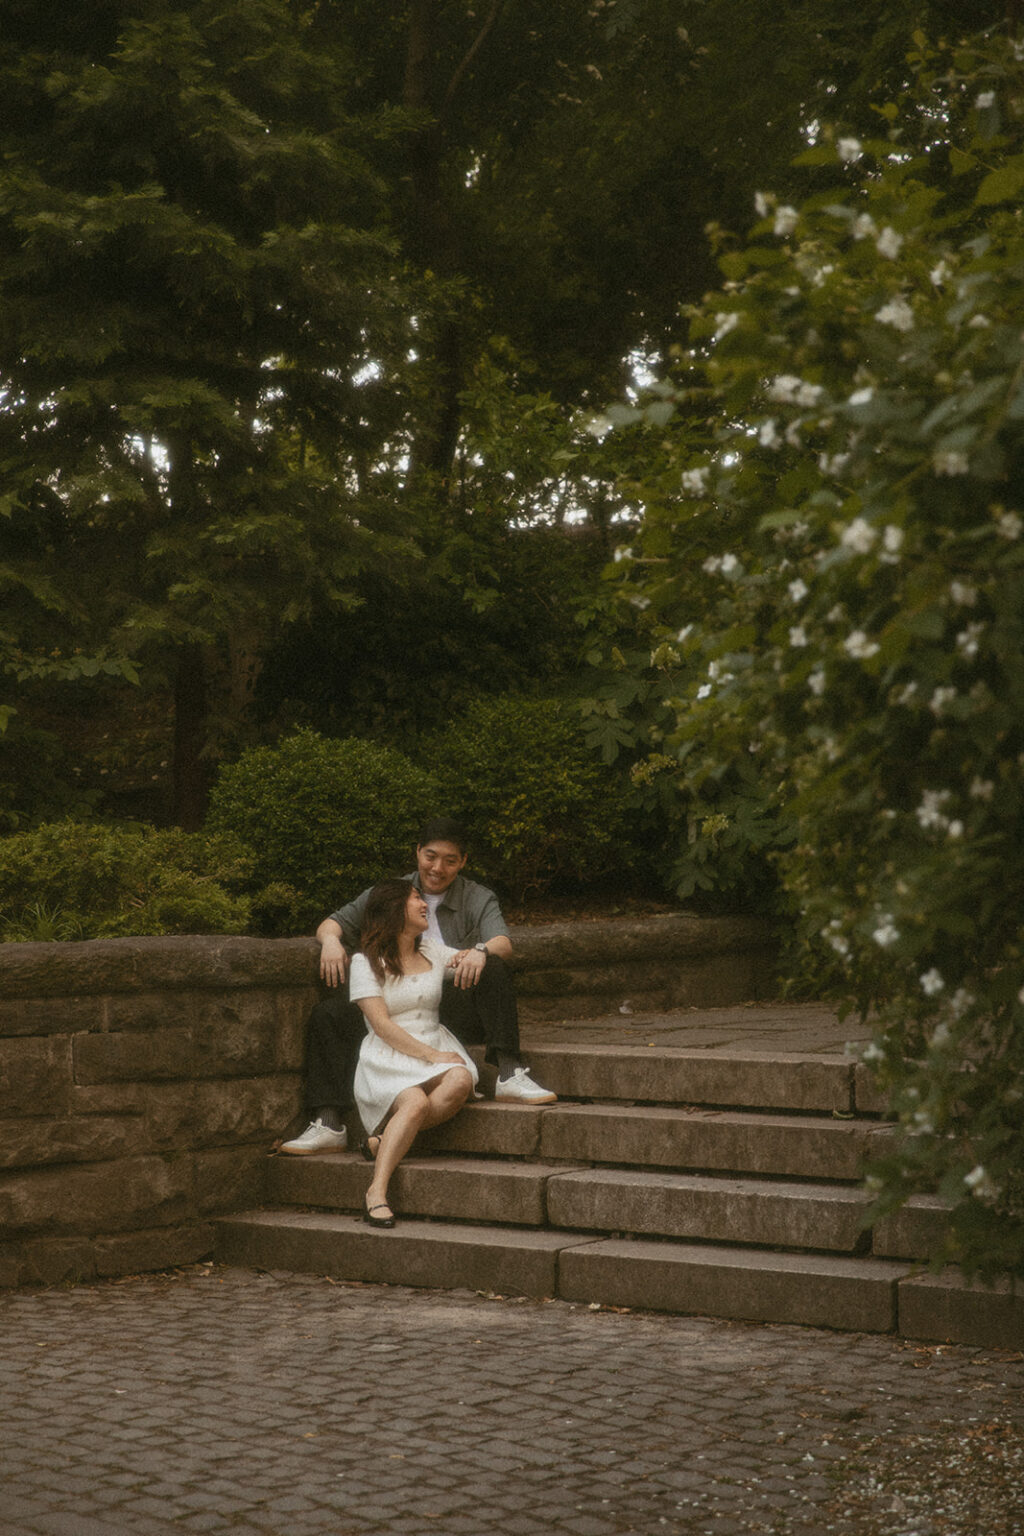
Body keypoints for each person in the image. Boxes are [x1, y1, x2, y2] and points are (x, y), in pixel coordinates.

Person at [279, 816, 556, 1155]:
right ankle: (328, 1122)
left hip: (444, 1004)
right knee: (328, 1014)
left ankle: (510, 1071)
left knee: (493, 965)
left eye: (450, 860)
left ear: (463, 862)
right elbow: (332, 923)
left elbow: (502, 941)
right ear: (417, 853)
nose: (438, 867)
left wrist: (479, 951)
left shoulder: (477, 897)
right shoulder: (392, 894)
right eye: (430, 856)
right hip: (390, 1008)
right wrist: (332, 942)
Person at [349, 879, 478, 1227]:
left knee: (461, 1080)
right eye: (415, 898)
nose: (424, 904)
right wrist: (429, 1056)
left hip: (435, 1042)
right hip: (388, 1055)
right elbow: (380, 1024)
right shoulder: (365, 962)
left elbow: (467, 958)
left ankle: (382, 1141)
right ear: (393, 909)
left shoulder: (432, 950)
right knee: (416, 1103)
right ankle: (376, 1192)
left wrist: (479, 950)